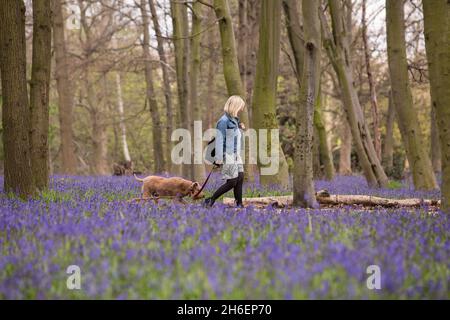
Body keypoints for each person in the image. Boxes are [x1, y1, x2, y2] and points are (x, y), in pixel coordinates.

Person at [203, 95, 246, 208]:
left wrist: (240, 128)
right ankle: (211, 200)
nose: (241, 109)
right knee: (232, 181)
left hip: (236, 154)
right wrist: (219, 157)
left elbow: (234, 136)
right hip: (228, 154)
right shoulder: (223, 121)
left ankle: (239, 204)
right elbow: (220, 139)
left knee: (240, 178)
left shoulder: (234, 120)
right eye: (240, 107)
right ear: (235, 106)